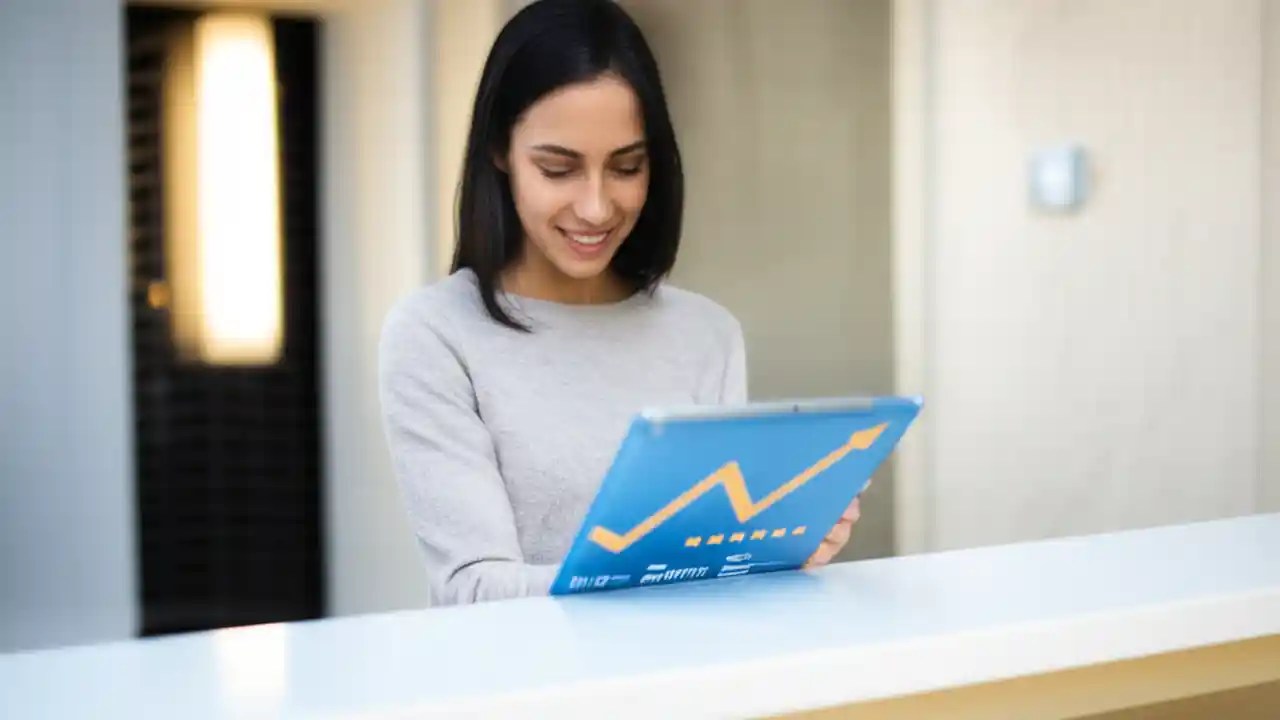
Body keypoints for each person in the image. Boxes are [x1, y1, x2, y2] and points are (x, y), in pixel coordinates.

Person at [379, 0, 862, 606]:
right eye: (558, 169)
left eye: (627, 167)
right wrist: (695, 567)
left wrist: (776, 550)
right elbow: (473, 588)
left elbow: (714, 576)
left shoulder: (706, 334)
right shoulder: (436, 335)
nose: (596, 208)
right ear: (500, 153)